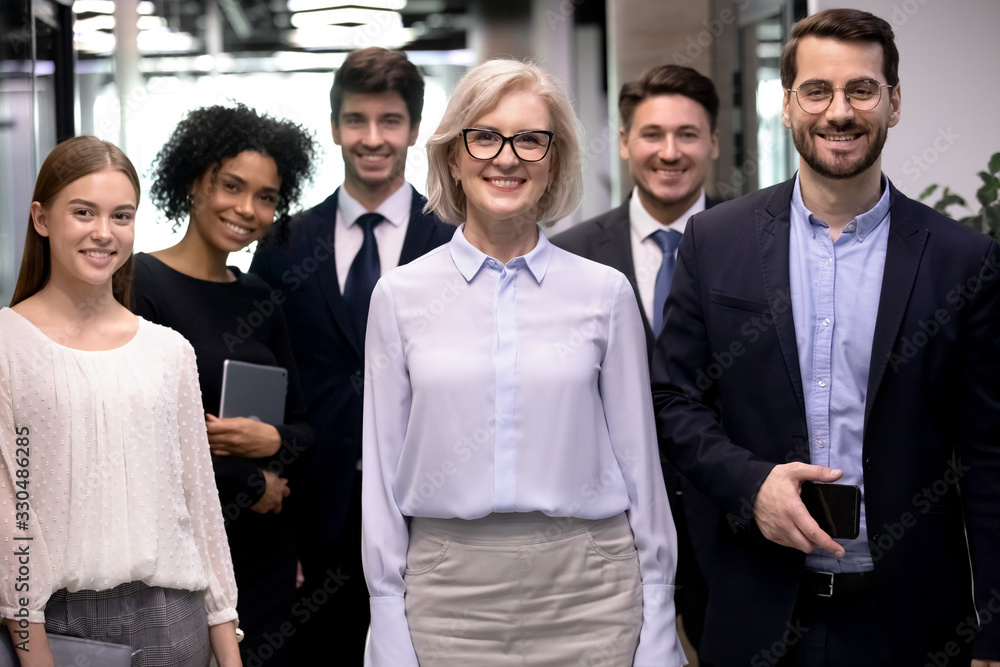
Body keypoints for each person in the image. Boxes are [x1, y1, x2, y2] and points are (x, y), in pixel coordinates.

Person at [651, 9, 1000, 667]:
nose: (839, 111)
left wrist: (995, 628)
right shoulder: (716, 241)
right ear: (787, 104)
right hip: (757, 611)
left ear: (894, 102)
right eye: (817, 90)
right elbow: (673, 401)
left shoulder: (963, 260)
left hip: (911, 625)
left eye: (861, 89)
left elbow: (989, 455)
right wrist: (752, 485)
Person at [361, 57, 684, 667]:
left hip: (591, 591)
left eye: (531, 140)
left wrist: (660, 617)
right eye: (484, 136)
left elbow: (641, 465)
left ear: (553, 161)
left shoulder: (604, 293)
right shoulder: (399, 297)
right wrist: (385, 617)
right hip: (448, 593)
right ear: (452, 158)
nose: (506, 158)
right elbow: (379, 474)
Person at [0, 136, 241, 666]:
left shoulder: (169, 352)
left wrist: (230, 655)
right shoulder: (7, 347)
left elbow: (202, 512)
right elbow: (10, 524)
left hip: (179, 626)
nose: (104, 233)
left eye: (121, 215)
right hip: (59, 629)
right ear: (41, 218)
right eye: (83, 212)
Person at [250, 47, 452, 662]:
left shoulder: (454, 239)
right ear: (335, 127)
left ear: (413, 130)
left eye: (390, 121)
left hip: (430, 508)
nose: (372, 138)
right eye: (356, 120)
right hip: (313, 512)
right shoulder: (285, 242)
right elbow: (267, 375)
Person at [132, 104, 316, 667]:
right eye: (231, 186)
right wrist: (248, 482)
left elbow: (304, 429)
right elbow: (138, 438)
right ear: (192, 181)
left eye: (266, 196)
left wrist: (272, 442)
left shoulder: (261, 296)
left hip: (264, 556)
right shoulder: (140, 283)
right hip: (180, 556)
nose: (247, 209)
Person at [551, 64, 720, 656]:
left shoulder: (753, 245)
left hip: (730, 523)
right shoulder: (570, 257)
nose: (669, 152)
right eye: (652, 134)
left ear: (713, 142)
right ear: (624, 142)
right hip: (608, 529)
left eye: (688, 134)